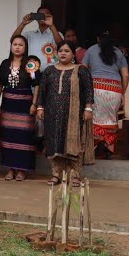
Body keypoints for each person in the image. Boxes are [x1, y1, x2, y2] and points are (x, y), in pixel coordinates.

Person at [37, 41, 95, 184]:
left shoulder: (81, 70)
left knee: (74, 142)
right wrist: (40, 107)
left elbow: (88, 90)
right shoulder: (49, 71)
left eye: (67, 51)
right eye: (61, 50)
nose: (63, 53)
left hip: (74, 115)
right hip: (52, 114)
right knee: (54, 143)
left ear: (73, 54)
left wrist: (88, 108)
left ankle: (75, 175)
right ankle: (56, 174)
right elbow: (42, 91)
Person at [0, 35, 39, 182]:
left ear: (25, 47)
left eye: (21, 44)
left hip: (25, 104)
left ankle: (22, 170)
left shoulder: (31, 63)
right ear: (11, 46)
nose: (17, 47)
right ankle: (10, 168)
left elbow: (37, 84)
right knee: (9, 135)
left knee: (24, 136)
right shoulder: (5, 63)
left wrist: (34, 104)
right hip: (8, 104)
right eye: (15, 44)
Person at [82, 31, 129, 157]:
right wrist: (122, 93)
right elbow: (126, 75)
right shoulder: (118, 52)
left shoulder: (91, 50)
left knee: (94, 120)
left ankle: (93, 148)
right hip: (115, 90)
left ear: (98, 38)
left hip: (96, 87)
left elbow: (83, 70)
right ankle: (108, 148)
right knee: (110, 120)